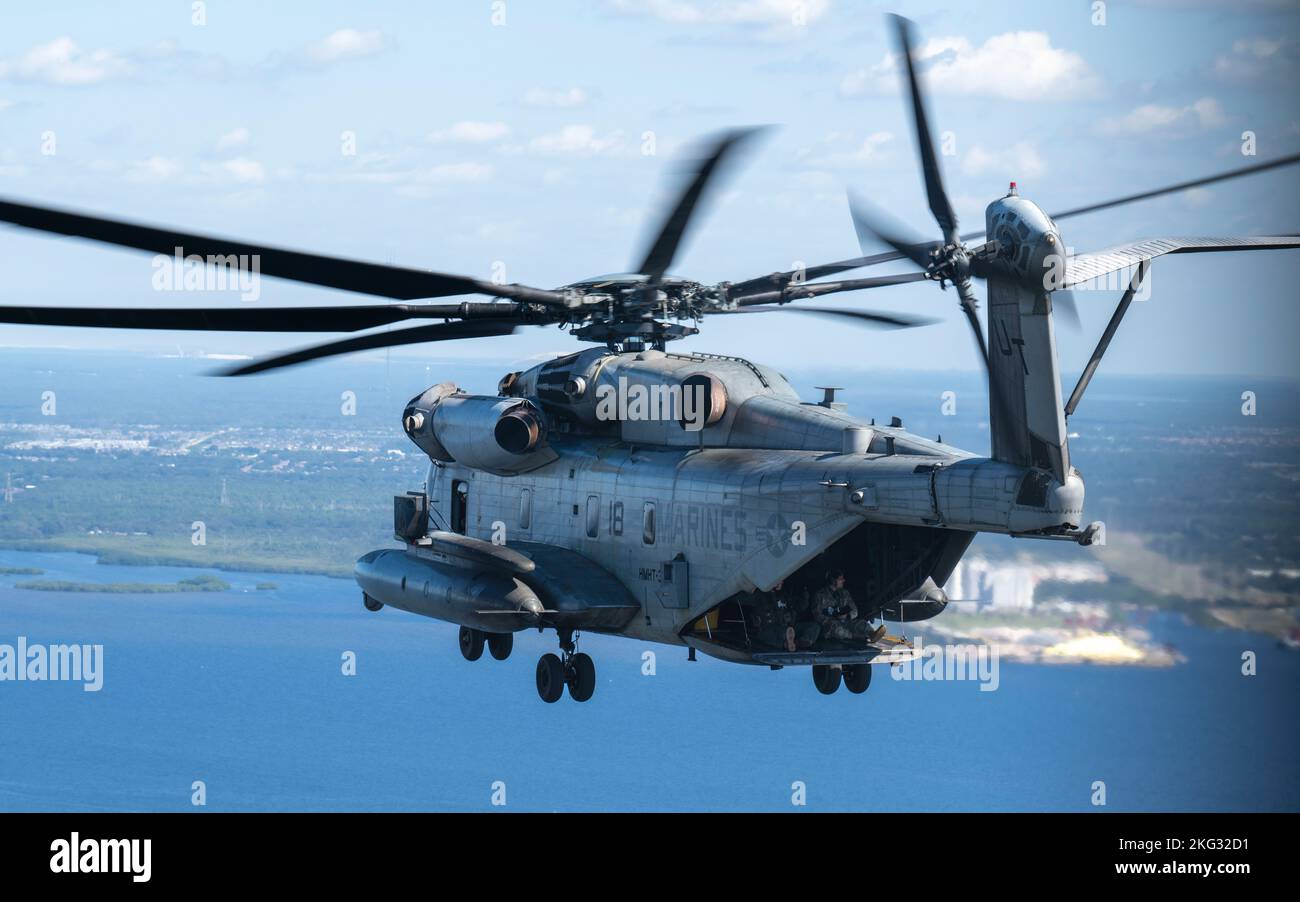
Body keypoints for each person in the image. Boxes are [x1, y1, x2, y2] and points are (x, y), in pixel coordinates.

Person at [812, 569, 886, 644]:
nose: (843, 580)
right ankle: (856, 637)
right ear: (833, 580)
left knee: (861, 623)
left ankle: (872, 634)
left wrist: (847, 616)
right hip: (830, 626)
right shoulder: (819, 595)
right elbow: (817, 615)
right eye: (840, 579)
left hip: (846, 622)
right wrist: (831, 619)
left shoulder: (845, 593)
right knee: (837, 630)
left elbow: (854, 610)